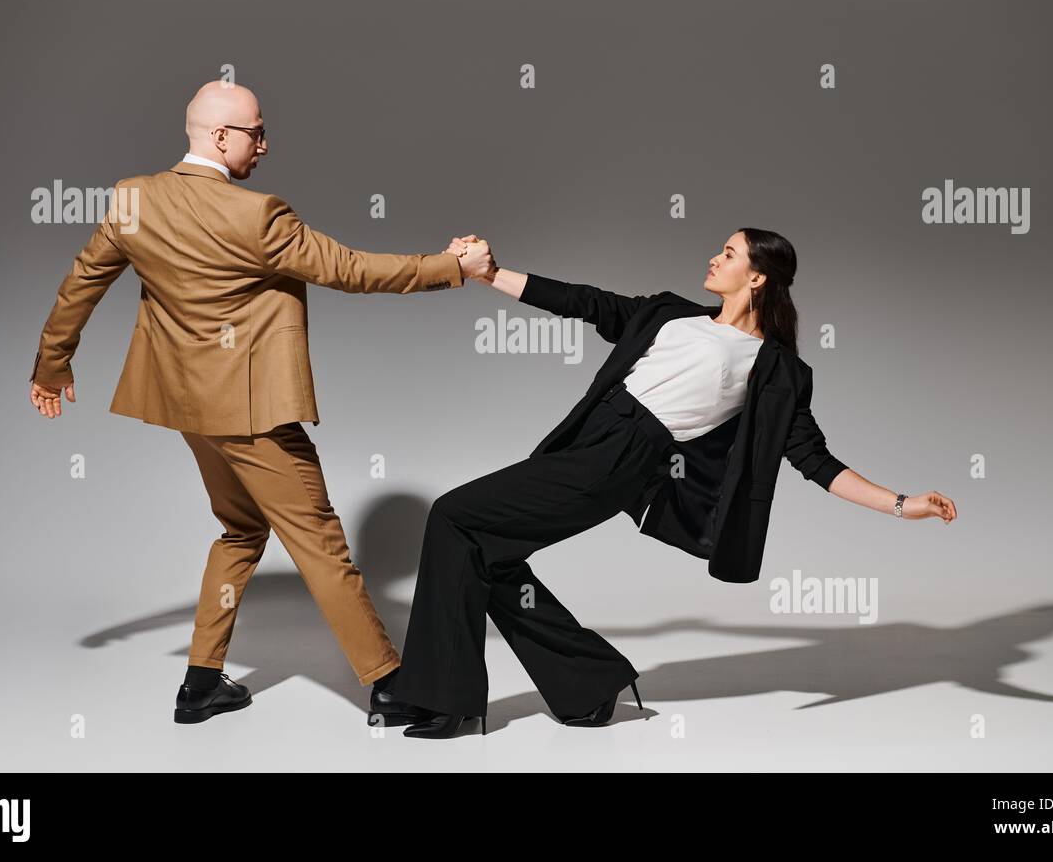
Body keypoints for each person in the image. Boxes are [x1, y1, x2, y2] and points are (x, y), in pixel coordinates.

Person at [27, 80, 493, 725]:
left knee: (241, 530)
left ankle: (200, 682)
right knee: (320, 543)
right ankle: (391, 683)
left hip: (188, 409)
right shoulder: (257, 214)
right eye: (256, 131)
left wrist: (52, 366)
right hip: (251, 417)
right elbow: (351, 270)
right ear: (220, 136)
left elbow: (82, 282)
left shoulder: (132, 199)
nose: (265, 144)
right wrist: (453, 267)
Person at [389, 228, 959, 737]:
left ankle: (442, 699)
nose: (714, 257)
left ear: (756, 277)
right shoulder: (668, 313)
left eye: (729, 253)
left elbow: (814, 459)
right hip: (586, 440)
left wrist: (903, 504)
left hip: (618, 463)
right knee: (488, 556)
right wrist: (488, 274)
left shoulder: (774, 368)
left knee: (453, 515)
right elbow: (585, 303)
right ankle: (587, 684)